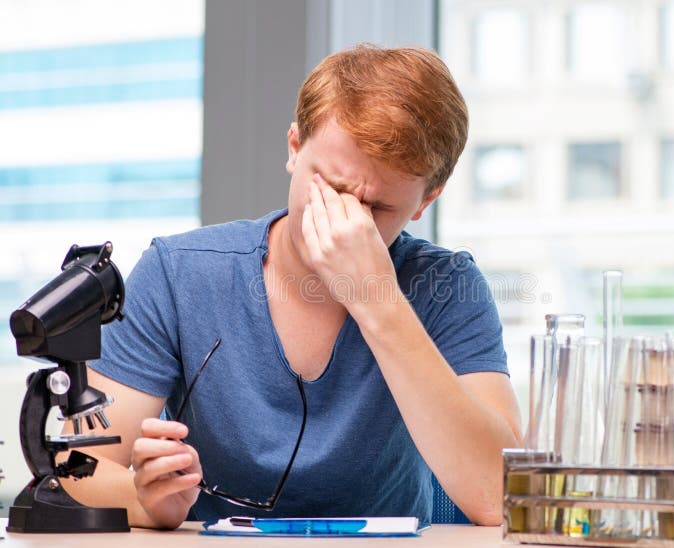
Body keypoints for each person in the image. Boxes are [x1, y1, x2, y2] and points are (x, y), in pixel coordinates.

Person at [61, 44, 522, 529]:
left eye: (377, 209)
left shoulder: (445, 286)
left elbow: (501, 498)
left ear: (427, 199)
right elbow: (75, 469)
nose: (344, 223)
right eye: (329, 189)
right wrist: (145, 501)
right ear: (294, 148)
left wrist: (378, 301)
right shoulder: (178, 274)